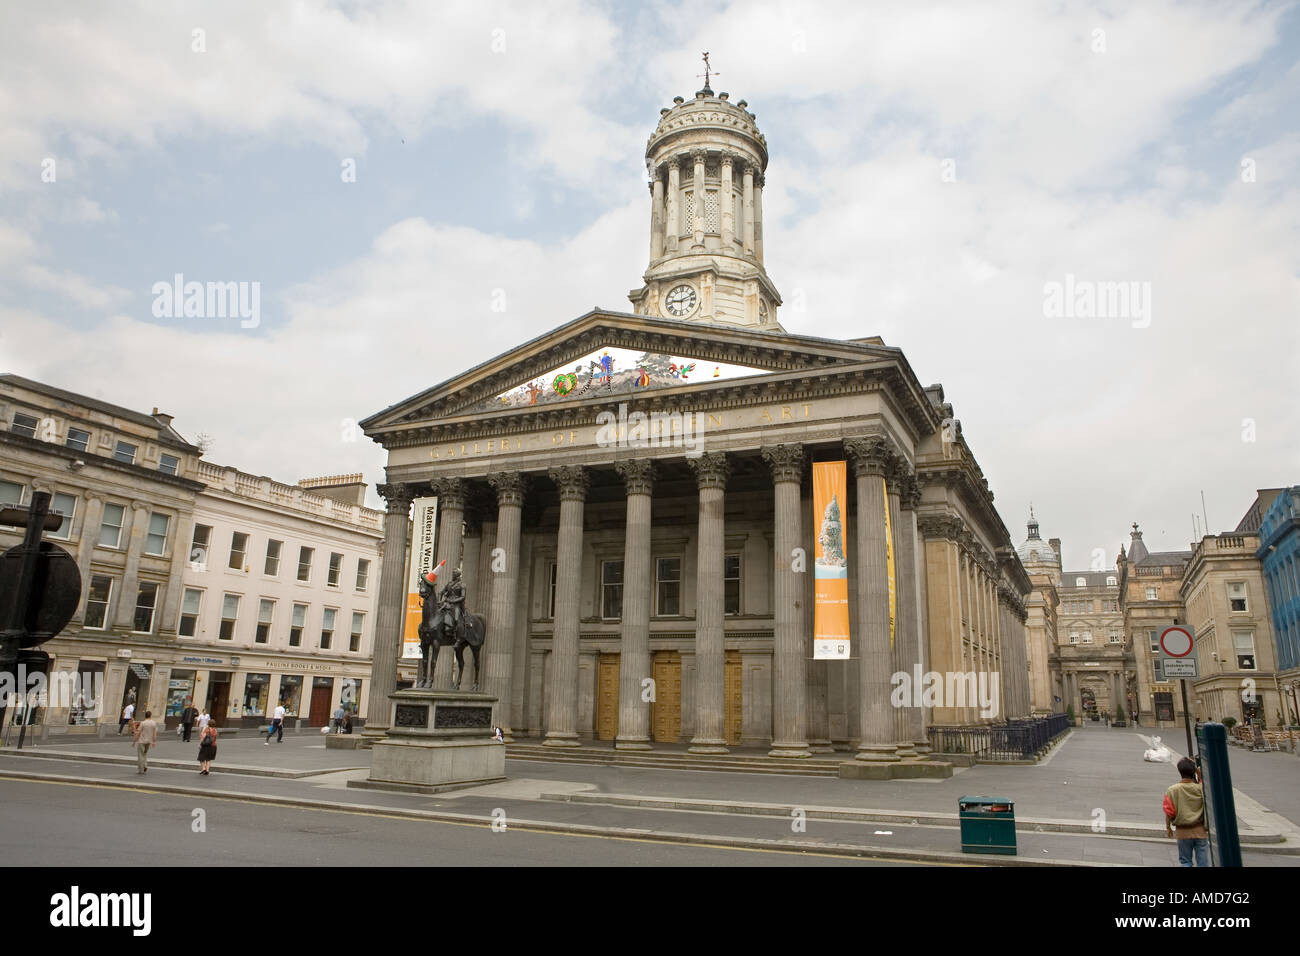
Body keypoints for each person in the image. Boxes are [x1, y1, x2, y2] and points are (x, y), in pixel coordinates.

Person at [1163, 757, 1210, 867]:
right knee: (1203, 863)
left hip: (1182, 832)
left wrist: (1168, 827)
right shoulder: (1200, 788)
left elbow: (1169, 812)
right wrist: (1198, 771)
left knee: (1185, 862)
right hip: (1200, 831)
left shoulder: (1172, 790)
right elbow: (1206, 783)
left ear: (1179, 771)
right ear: (1194, 771)